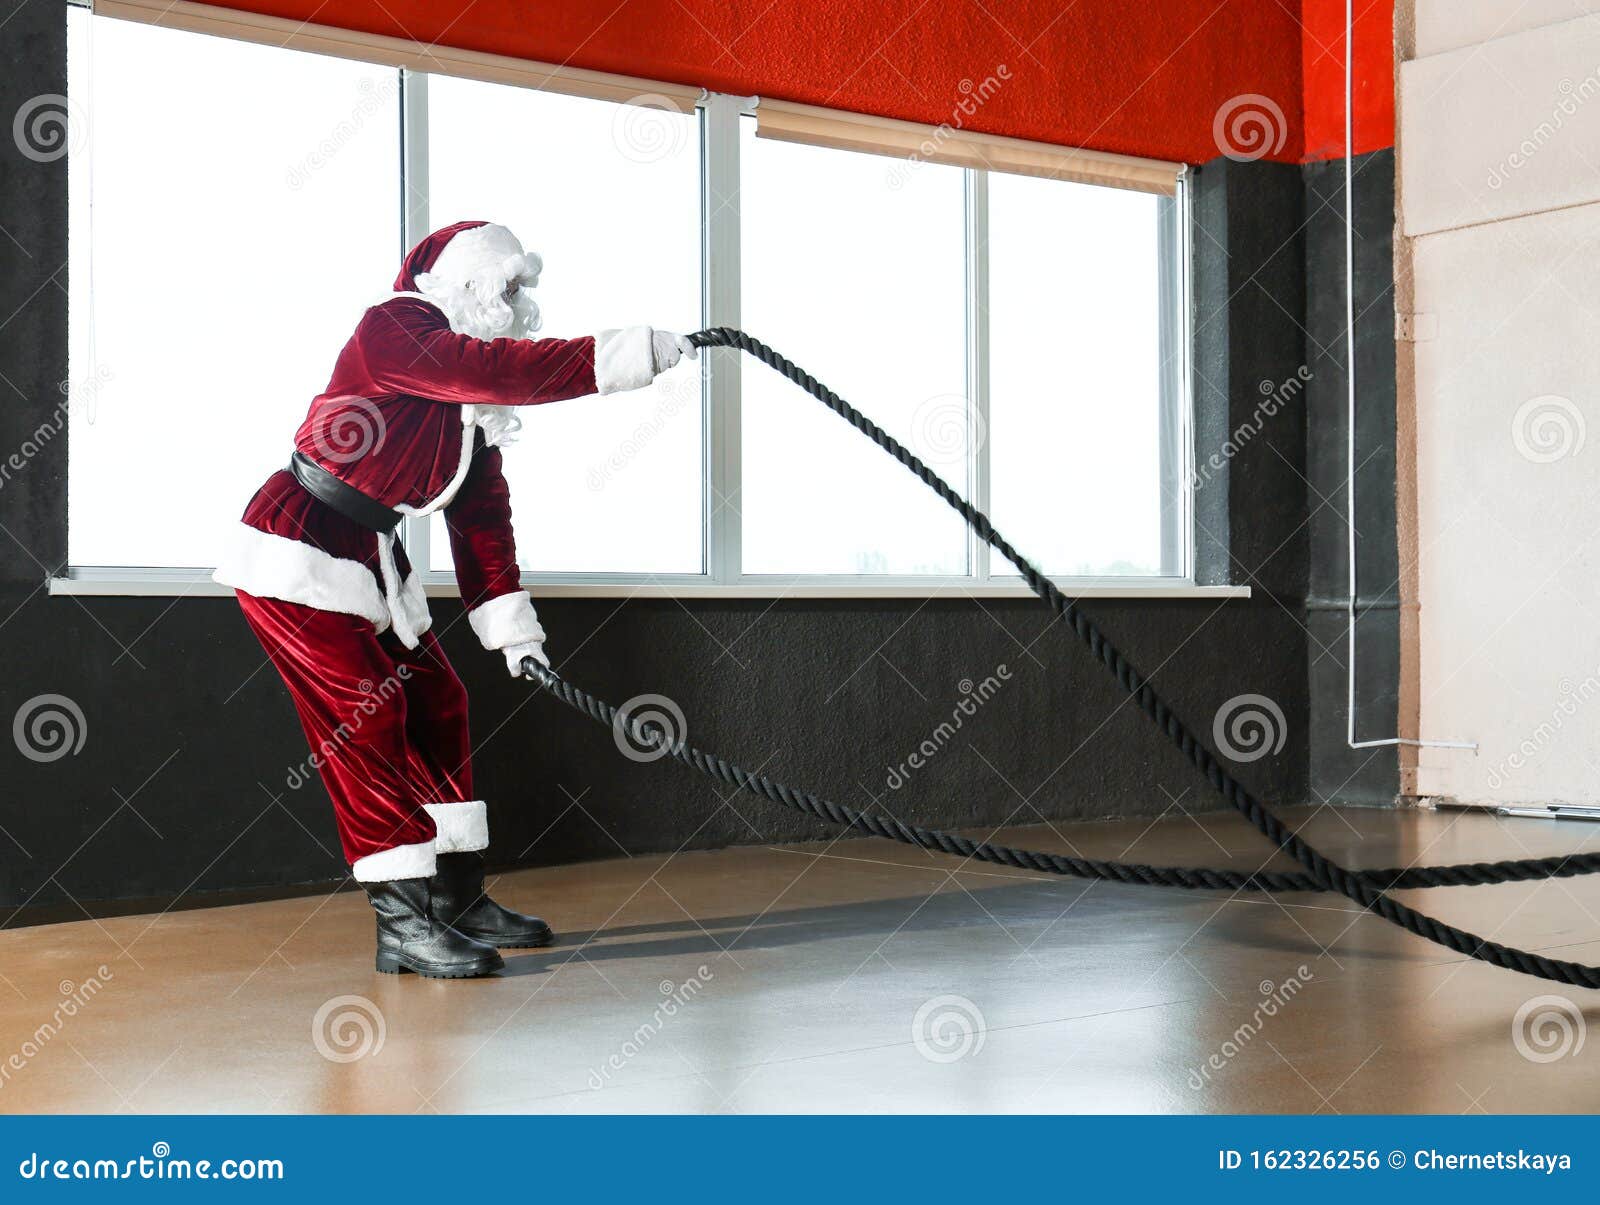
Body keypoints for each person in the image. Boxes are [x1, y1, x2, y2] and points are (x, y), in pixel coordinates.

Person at [214, 221, 694, 978]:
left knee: (440, 701)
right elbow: (501, 371)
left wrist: (515, 636)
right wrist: (630, 354)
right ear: (461, 282)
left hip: (371, 553)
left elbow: (482, 525)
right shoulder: (396, 327)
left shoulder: (469, 419)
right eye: (503, 285)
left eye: (517, 289)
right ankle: (403, 924)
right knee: (368, 715)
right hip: (298, 543)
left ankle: (457, 898)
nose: (513, 301)